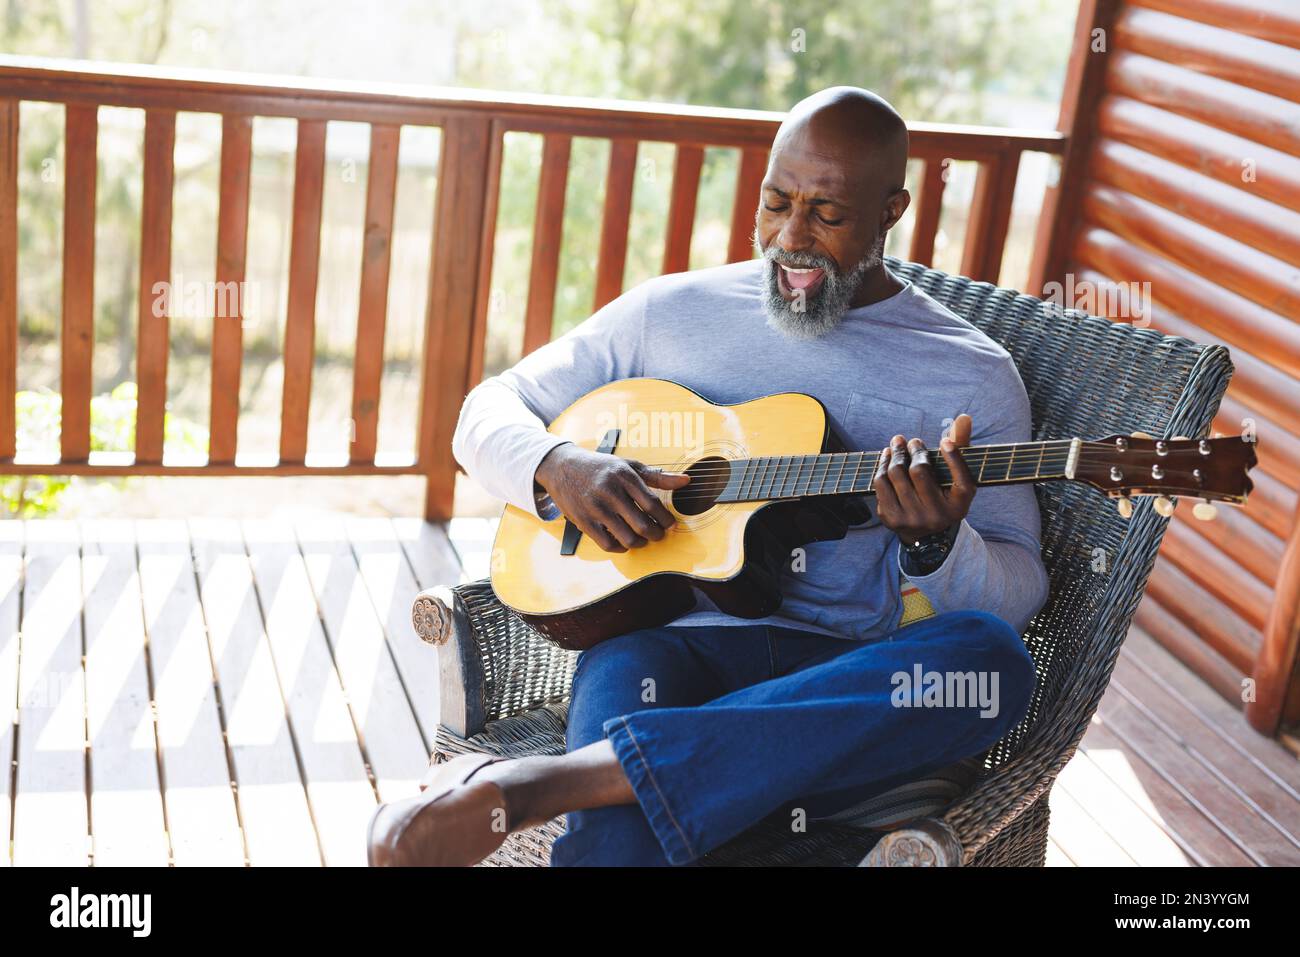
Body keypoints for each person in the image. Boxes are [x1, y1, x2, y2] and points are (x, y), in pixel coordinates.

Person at [368, 86, 1048, 867]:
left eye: (827, 215)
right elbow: (484, 412)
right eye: (775, 202)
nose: (790, 238)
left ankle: (555, 782)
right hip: (663, 654)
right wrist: (558, 465)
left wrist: (938, 546)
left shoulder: (970, 374)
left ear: (891, 210)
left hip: (839, 678)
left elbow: (1020, 586)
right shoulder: (669, 314)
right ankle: (707, 772)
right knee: (621, 834)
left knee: (992, 660)